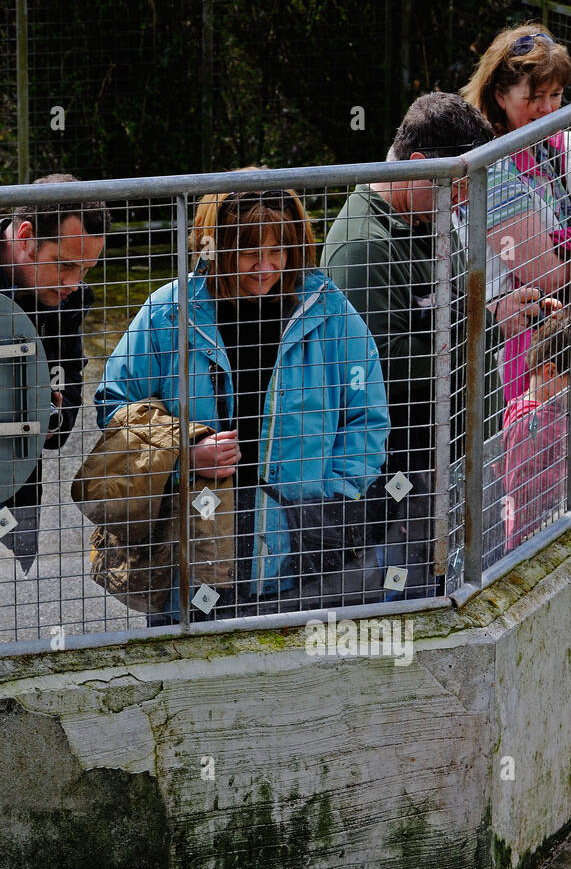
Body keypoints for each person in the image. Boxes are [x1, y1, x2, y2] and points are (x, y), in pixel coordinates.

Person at [85, 187, 389, 620]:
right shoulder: (169, 312)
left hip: (298, 554)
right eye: (248, 251)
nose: (264, 267)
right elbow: (113, 404)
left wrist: (334, 501)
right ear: (216, 245)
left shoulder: (332, 312)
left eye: (279, 249)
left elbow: (367, 418)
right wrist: (183, 452)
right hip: (193, 549)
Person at [323, 92, 540, 598]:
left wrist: (496, 310)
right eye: (457, 182)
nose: (464, 196)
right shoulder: (365, 245)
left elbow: (458, 307)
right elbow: (382, 371)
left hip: (456, 462)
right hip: (400, 482)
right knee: (409, 602)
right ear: (419, 166)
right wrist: (484, 323)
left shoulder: (428, 216)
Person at [0, 174, 108, 650]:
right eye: (64, 265)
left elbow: (66, 403)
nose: (74, 283)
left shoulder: (63, 300)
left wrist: (49, 416)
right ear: (26, 237)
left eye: (85, 270)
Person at [461, 25, 571, 407]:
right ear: (499, 96)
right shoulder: (490, 169)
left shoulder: (560, 143)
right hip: (523, 346)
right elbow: (549, 275)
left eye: (555, 95)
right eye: (535, 96)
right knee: (539, 450)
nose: (547, 108)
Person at [489, 309, 571, 561]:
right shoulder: (537, 423)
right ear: (551, 371)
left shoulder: (530, 408)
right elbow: (521, 486)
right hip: (529, 541)